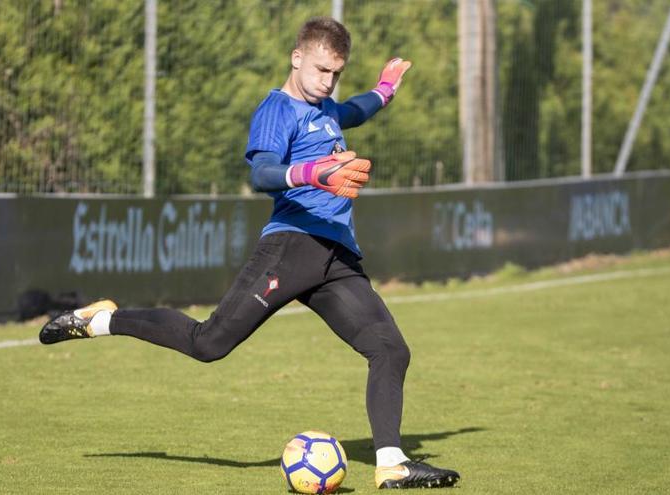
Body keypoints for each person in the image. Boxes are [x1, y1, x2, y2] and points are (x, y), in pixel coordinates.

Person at [40, 16, 460, 490]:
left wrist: (384, 90)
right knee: (208, 344)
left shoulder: (325, 109)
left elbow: (356, 111)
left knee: (389, 349)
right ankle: (104, 319)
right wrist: (313, 174)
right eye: (322, 70)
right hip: (291, 247)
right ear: (297, 58)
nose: (328, 82)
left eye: (337, 74)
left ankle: (391, 463)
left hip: (336, 258)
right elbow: (261, 173)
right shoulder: (277, 110)